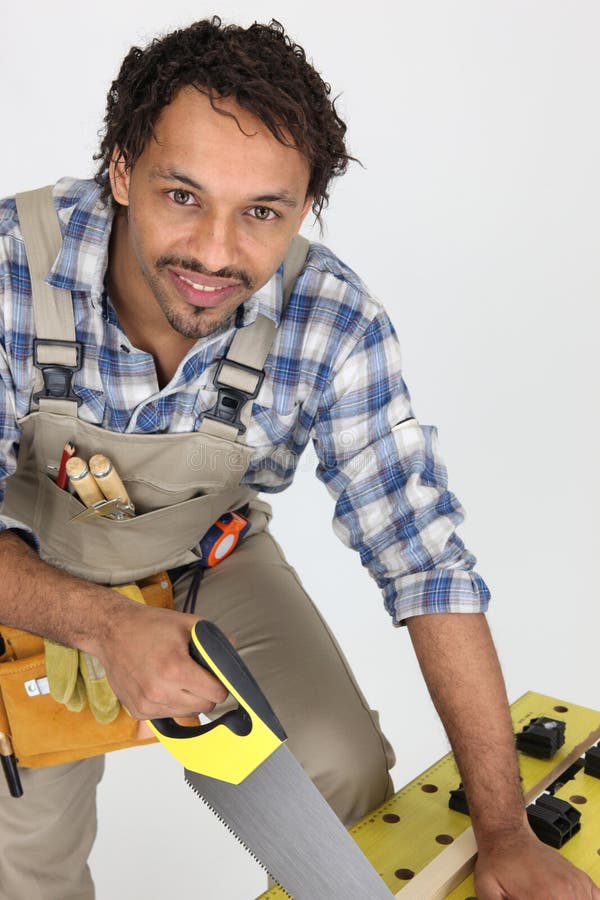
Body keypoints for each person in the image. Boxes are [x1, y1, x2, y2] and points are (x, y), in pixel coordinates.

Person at [0, 16, 596, 900]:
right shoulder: (12, 266)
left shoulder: (331, 318)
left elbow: (424, 562)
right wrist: (103, 624)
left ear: (306, 205)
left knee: (345, 780)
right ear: (122, 170)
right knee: (22, 856)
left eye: (263, 213)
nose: (214, 252)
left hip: (209, 560)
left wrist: (504, 833)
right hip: (27, 575)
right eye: (183, 195)